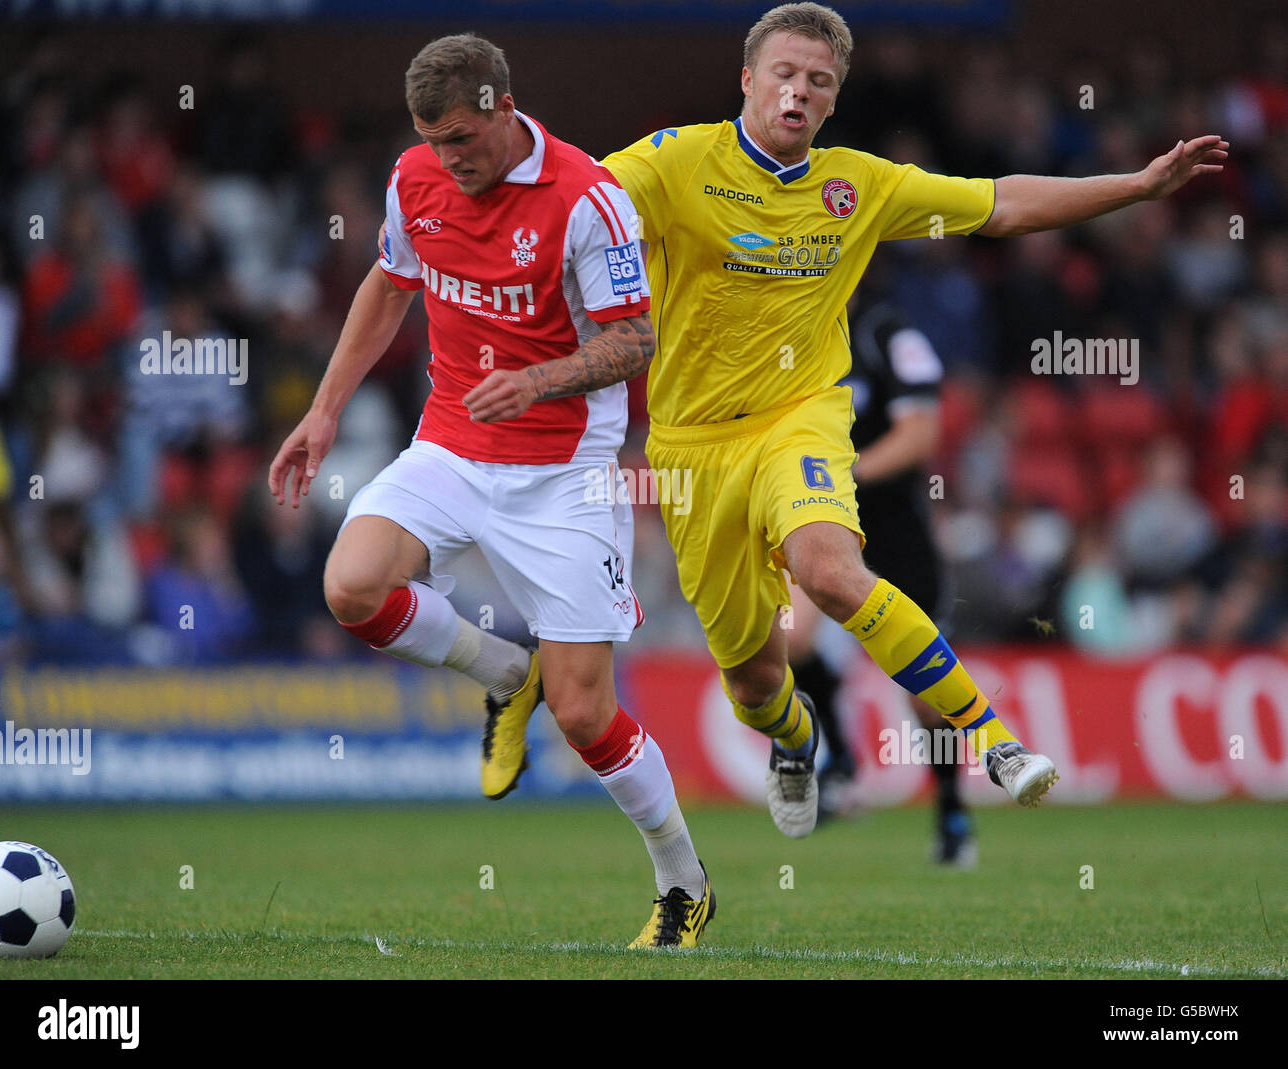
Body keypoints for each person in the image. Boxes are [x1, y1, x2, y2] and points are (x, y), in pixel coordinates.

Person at [595, 2, 1228, 839]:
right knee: (752, 680)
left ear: (832, 101)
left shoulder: (862, 185)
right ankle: (795, 739)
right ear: (748, 79)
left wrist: (1137, 187)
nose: (799, 92)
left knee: (828, 568)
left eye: (819, 83)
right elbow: (581, 197)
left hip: (801, 418)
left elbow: (1001, 204)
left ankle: (993, 742)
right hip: (693, 443)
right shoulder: (676, 161)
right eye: (784, 74)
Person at [269, 34, 713, 948]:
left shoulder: (590, 199)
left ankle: (683, 880)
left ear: (503, 107)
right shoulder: (414, 180)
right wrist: (323, 411)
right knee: (351, 585)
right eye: (432, 141)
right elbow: (388, 289)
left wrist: (539, 379)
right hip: (452, 442)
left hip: (565, 467)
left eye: (462, 139)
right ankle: (506, 674)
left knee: (587, 711)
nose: (448, 160)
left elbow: (635, 342)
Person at [788, 296, 976, 865]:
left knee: (924, 693)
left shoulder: (885, 331)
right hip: (823, 524)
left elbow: (920, 434)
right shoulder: (788, 323)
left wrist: (842, 473)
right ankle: (842, 763)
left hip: (895, 534)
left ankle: (951, 810)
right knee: (791, 637)